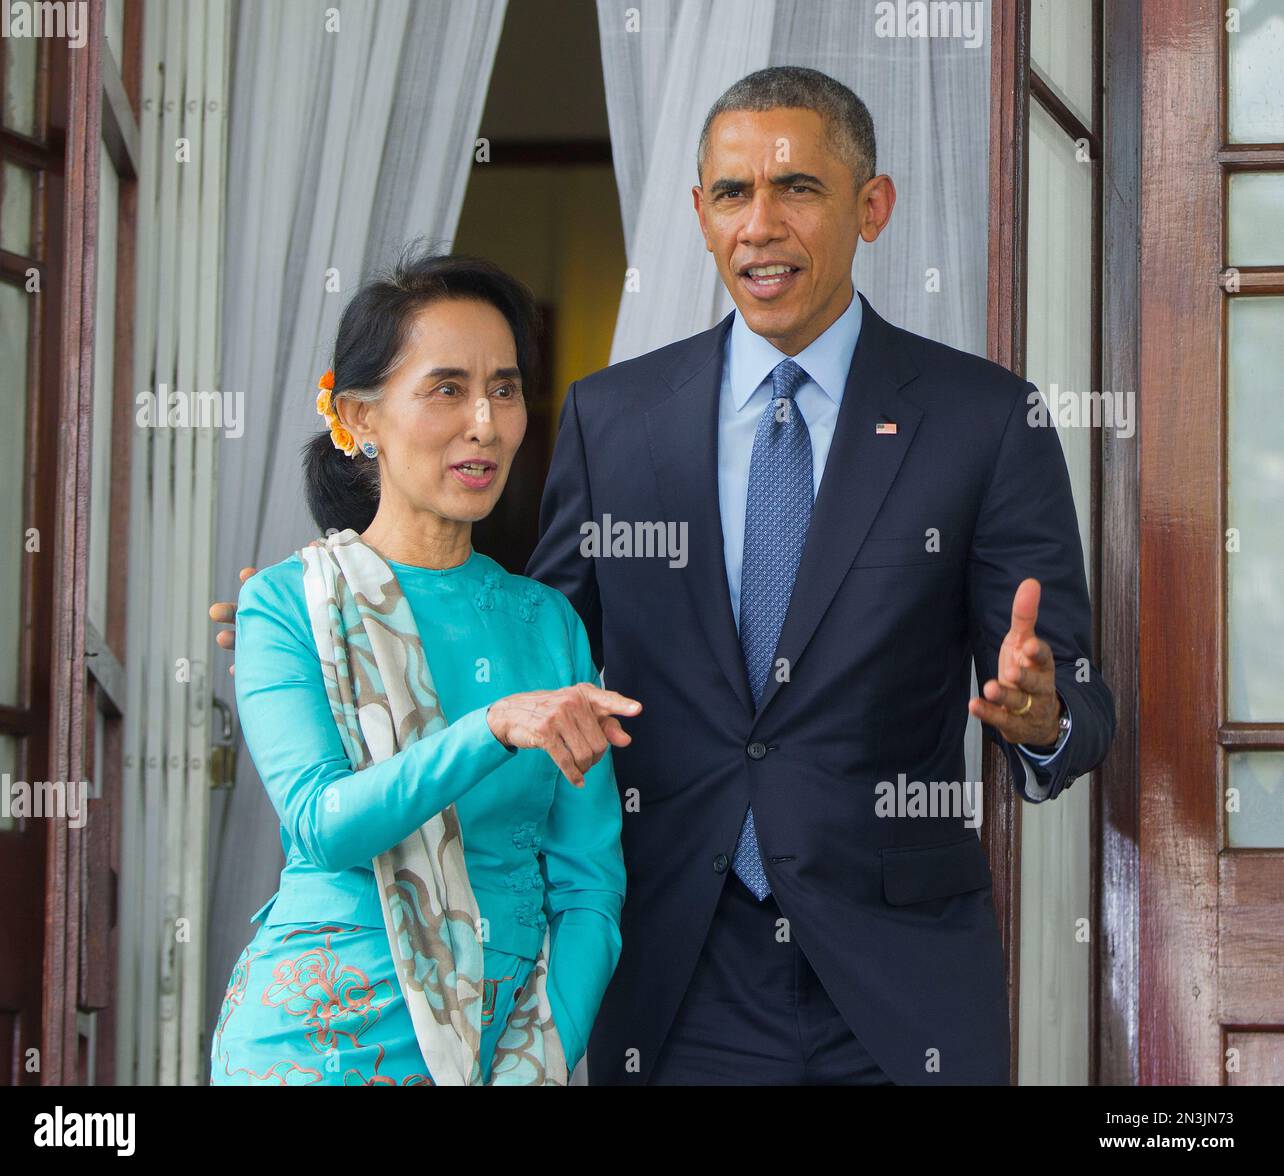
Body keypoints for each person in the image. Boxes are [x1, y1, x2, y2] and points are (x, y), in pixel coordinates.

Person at [214, 67, 1115, 1086]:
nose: (759, 225)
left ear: (873, 206)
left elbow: (1075, 696)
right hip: (675, 967)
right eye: (732, 193)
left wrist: (1040, 718)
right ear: (697, 212)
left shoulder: (982, 420)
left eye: (798, 190)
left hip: (896, 978)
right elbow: (542, 646)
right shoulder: (615, 419)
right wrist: (330, 623)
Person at [208, 248, 635, 1086]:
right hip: (315, 1042)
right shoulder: (290, 606)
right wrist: (491, 728)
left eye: (504, 389)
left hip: (499, 1046)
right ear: (358, 417)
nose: (484, 421)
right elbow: (325, 823)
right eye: (447, 388)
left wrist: (526, 1068)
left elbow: (590, 889)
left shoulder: (545, 624)